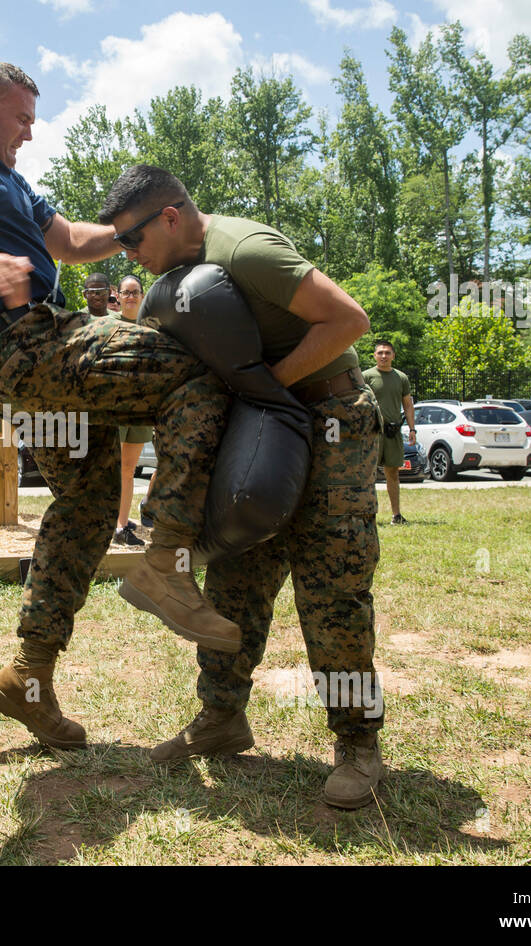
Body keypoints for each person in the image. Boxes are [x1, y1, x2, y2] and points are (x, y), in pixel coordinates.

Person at [0, 62, 236, 751]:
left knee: (89, 501)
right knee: (194, 374)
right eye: (22, 120)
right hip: (25, 346)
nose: (29, 135)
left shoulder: (10, 180)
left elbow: (69, 241)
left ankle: (27, 676)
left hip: (25, 370)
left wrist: (154, 228)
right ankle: (167, 559)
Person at [98, 164, 384, 809]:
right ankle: (221, 719)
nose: (130, 255)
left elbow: (347, 321)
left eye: (132, 239)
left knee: (331, 583)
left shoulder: (246, 250)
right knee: (236, 578)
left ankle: (357, 742)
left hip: (328, 417)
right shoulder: (172, 280)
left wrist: (266, 390)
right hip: (261, 424)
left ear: (170, 216)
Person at [113, 273, 151, 547]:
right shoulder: (107, 324)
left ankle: (121, 527)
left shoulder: (151, 326)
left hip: (141, 407)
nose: (130, 296)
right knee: (108, 470)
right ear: (118, 295)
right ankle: (105, 523)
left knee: (128, 470)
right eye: (125, 292)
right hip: (113, 407)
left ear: (142, 295)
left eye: (135, 291)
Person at [362, 340, 415, 525]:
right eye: (380, 353)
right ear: (374, 355)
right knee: (367, 473)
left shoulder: (401, 377)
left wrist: (412, 429)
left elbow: (408, 404)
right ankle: (368, 514)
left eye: (387, 353)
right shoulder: (366, 376)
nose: (384, 356)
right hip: (372, 432)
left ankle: (397, 515)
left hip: (393, 431)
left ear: (393, 355)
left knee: (393, 473)